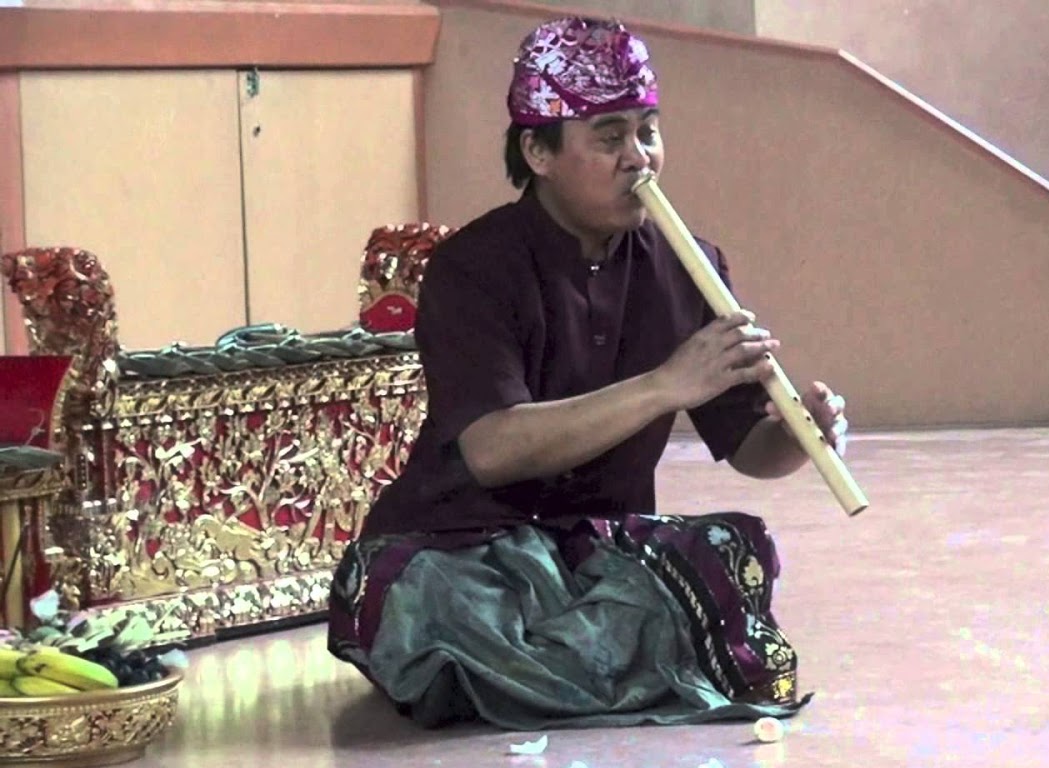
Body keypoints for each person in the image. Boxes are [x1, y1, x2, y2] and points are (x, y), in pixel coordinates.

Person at [325, 16, 848, 730]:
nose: (640, 159)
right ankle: (593, 670)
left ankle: (544, 676)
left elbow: (750, 449)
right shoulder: (472, 269)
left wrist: (802, 432)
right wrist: (665, 384)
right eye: (609, 138)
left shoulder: (689, 264)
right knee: (423, 598)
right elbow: (492, 448)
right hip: (462, 546)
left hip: (602, 547)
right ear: (538, 151)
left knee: (728, 555)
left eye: (649, 132)